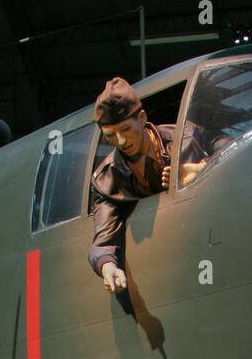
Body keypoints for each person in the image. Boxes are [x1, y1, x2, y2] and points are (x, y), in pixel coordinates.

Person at [88, 76, 211, 293]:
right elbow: (102, 240)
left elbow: (240, 153)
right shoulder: (106, 179)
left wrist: (202, 170)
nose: (121, 141)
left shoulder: (188, 136)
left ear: (142, 118)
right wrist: (107, 267)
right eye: (111, 136)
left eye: (126, 129)